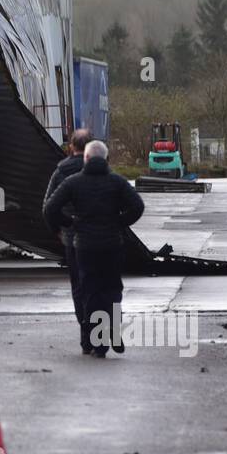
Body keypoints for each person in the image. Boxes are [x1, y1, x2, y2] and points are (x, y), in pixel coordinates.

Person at [43, 140, 145, 357]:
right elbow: (138, 206)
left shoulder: (73, 182)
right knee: (112, 289)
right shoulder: (117, 182)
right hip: (112, 244)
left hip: (85, 246)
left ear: (86, 159)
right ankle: (114, 330)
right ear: (106, 159)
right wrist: (120, 222)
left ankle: (97, 343)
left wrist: (69, 223)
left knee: (90, 291)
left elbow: (50, 208)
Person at [42, 128, 92, 348]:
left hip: (73, 239)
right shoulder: (104, 171)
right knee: (106, 285)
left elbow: (48, 207)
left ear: (72, 147)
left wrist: (61, 227)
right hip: (105, 240)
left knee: (79, 287)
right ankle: (106, 329)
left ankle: (86, 334)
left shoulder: (60, 172)